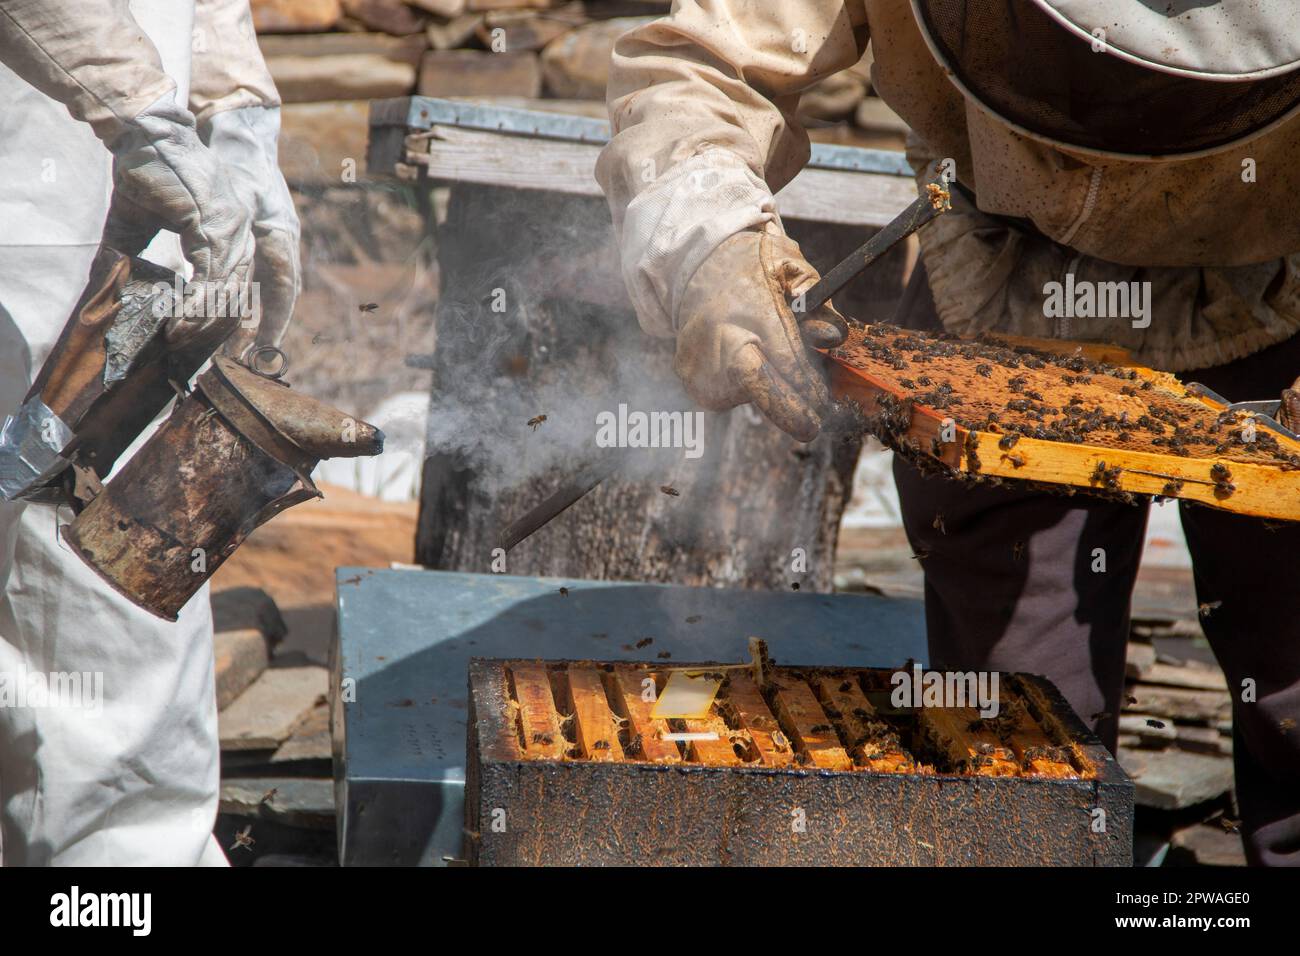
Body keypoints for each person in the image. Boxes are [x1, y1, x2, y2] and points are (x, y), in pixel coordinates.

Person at [596, 1, 1300, 865]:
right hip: (1003, 286)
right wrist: (707, 240)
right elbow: (705, 61)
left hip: (1281, 285)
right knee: (1020, 746)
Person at [0, 0, 299, 864]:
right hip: (49, 179)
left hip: (136, 242)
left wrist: (236, 121)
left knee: (117, 684)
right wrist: (137, 110)